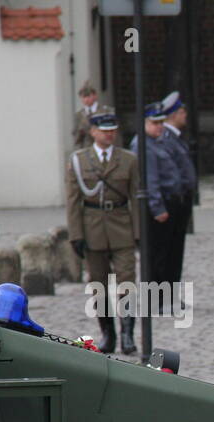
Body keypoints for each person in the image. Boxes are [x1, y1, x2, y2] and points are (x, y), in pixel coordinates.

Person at [65, 112, 139, 354]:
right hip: (92, 228)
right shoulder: (79, 161)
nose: (110, 134)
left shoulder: (128, 160)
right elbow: (73, 201)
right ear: (93, 132)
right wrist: (76, 235)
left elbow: (136, 199)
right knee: (98, 285)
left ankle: (128, 333)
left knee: (127, 282)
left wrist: (138, 232)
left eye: (113, 129)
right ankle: (108, 333)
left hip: (121, 227)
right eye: (105, 130)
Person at [129, 100, 180, 323]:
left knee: (165, 255)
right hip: (155, 208)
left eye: (160, 122)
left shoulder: (157, 142)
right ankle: (154, 301)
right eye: (154, 123)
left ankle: (163, 298)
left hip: (167, 203)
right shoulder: (143, 145)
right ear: (144, 123)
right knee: (155, 257)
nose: (159, 127)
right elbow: (150, 181)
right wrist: (158, 207)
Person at [159, 91, 196, 293]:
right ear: (173, 114)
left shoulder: (175, 137)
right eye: (182, 111)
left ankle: (171, 293)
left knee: (176, 250)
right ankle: (164, 295)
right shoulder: (166, 137)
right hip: (171, 201)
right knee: (168, 252)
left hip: (180, 201)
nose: (185, 115)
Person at [72, 81, 110, 149]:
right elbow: (75, 135)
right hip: (86, 148)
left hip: (102, 147)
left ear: (95, 96)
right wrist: (80, 132)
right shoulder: (79, 115)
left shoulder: (104, 111)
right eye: (83, 97)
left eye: (88, 96)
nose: (86, 99)